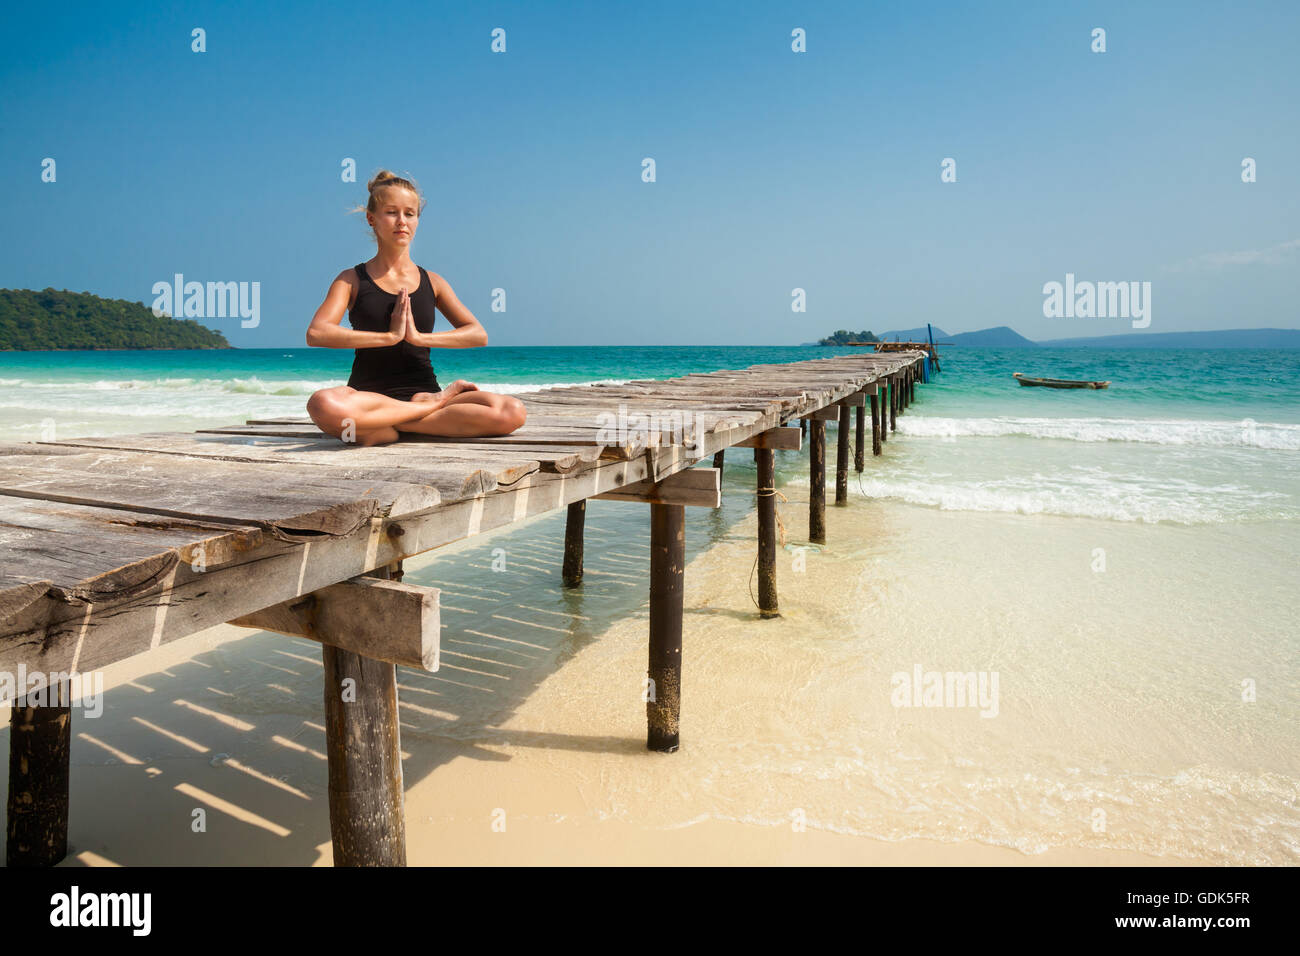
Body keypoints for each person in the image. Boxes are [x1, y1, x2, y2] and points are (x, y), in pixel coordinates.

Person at [305, 170, 526, 447]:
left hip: (423, 392)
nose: (402, 222)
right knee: (322, 404)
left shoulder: (433, 281)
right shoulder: (351, 279)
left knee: (512, 412)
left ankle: (389, 426)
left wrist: (419, 338)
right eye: (391, 212)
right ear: (371, 219)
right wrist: (388, 338)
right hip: (370, 398)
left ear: (418, 220)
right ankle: (423, 416)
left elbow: (477, 334)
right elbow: (317, 333)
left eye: (410, 213)